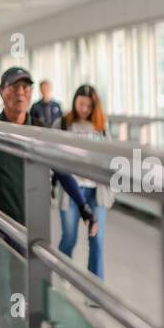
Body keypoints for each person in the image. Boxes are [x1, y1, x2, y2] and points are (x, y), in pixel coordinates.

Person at [0, 67, 94, 241]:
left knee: (28, 267)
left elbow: (62, 172)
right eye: (14, 87)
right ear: (1, 92)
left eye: (26, 87)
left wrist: (83, 205)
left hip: (31, 228)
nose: (21, 93)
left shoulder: (41, 131)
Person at [58, 85, 111, 278]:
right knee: (70, 237)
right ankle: (61, 277)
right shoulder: (64, 122)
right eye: (81, 104)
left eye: (89, 106)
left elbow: (109, 156)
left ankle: (95, 289)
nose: (84, 109)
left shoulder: (101, 125)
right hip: (71, 189)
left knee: (96, 240)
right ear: (74, 102)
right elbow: (51, 154)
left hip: (95, 191)